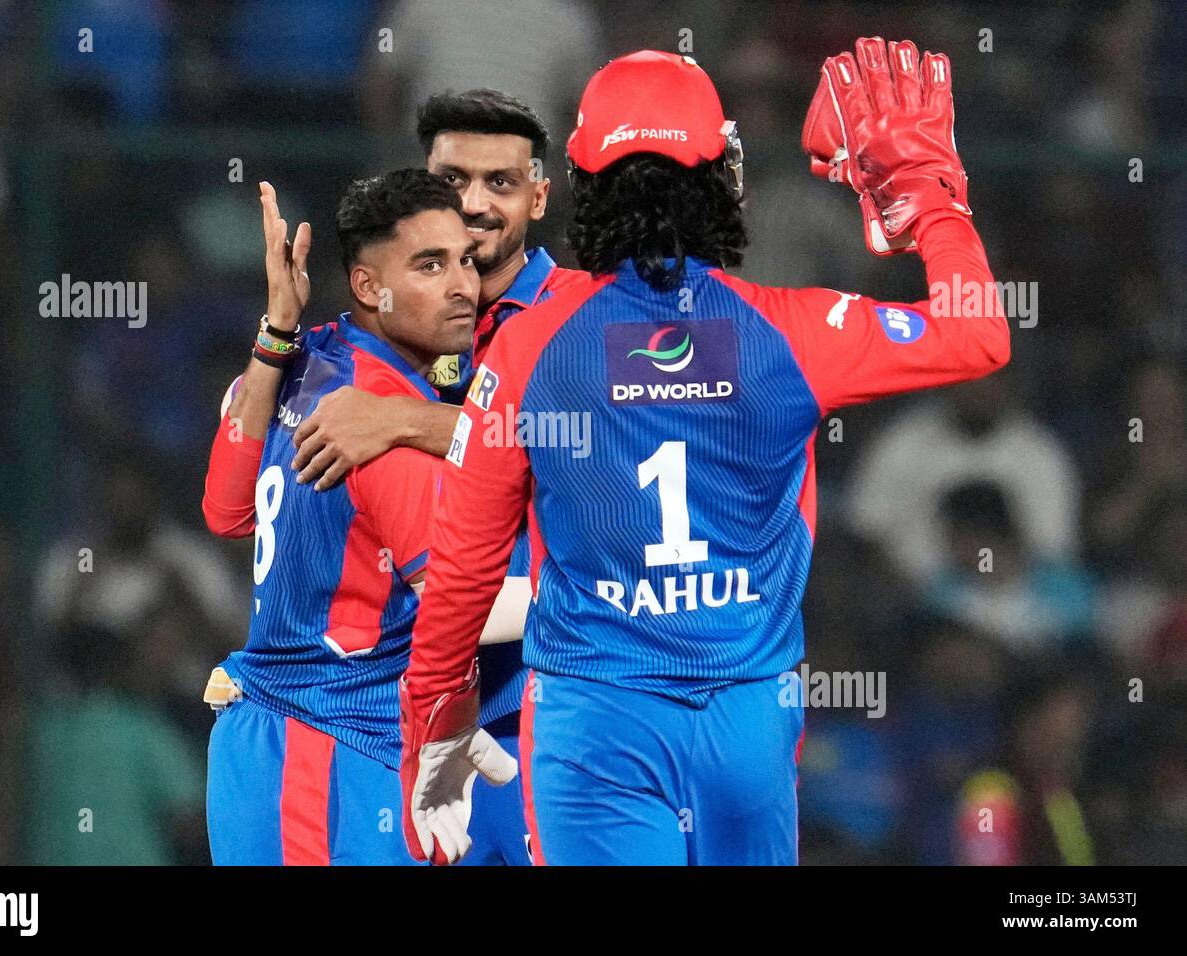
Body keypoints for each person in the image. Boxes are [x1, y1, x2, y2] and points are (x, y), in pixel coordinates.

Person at [399, 43, 1011, 865]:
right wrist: (926, 195)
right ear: (726, 175)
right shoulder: (796, 334)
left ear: (581, 179)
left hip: (594, 719)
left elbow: (465, 569)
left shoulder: (524, 351)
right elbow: (978, 336)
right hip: (748, 722)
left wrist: (433, 728)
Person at [276, 89, 581, 864]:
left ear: (539, 196)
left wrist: (409, 422)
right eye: (453, 182)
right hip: (411, 721)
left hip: (551, 704)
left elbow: (587, 454)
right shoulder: (408, 324)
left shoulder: (579, 317)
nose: (475, 206)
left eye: (501, 184)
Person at [200, 169, 526, 864]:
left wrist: (276, 329)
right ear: (369, 287)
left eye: (465, 260)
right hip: (328, 752)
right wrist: (611, 597)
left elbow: (226, 511)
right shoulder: (376, 431)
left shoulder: (309, 354)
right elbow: (461, 604)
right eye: (429, 266)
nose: (463, 286)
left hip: (273, 740)